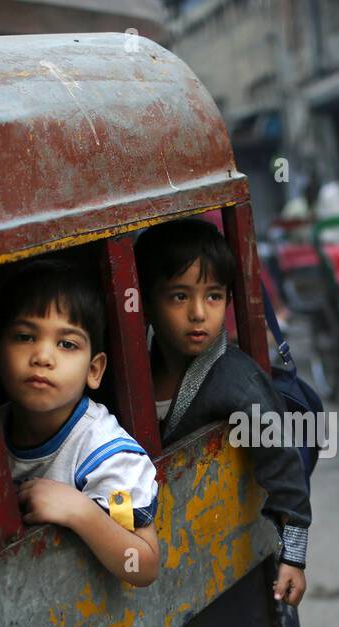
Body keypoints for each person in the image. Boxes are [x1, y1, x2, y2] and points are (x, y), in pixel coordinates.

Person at [135, 218, 311, 606]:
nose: (198, 313)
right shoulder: (132, 367)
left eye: (213, 296)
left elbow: (284, 464)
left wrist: (294, 559)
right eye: (179, 297)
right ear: (146, 302)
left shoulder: (238, 381)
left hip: (218, 550)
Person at [0, 259, 160, 586]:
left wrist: (79, 510)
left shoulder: (106, 453)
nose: (43, 356)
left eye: (66, 344)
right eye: (25, 336)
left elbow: (143, 565)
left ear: (94, 370)